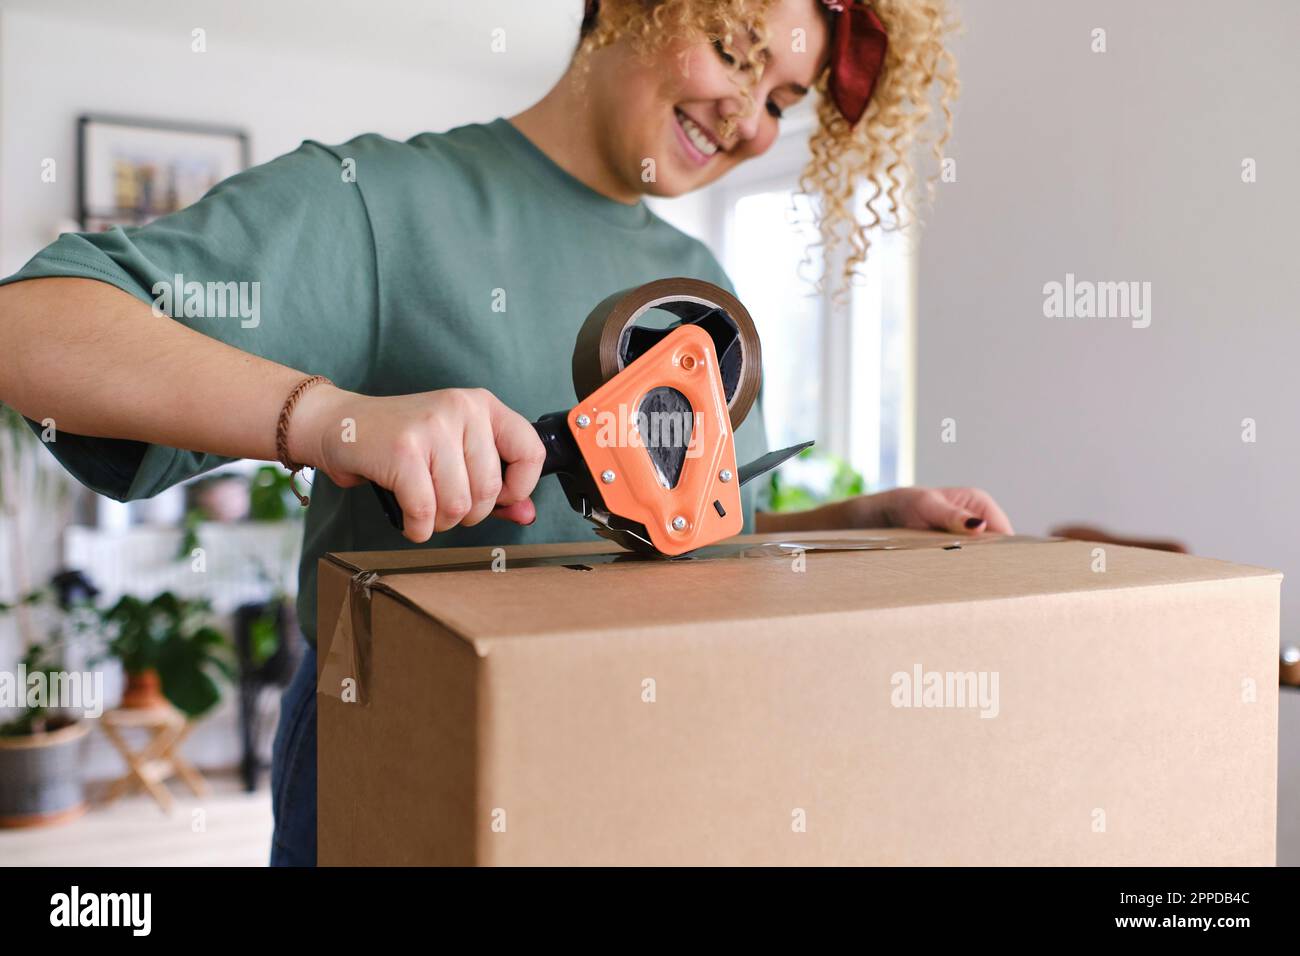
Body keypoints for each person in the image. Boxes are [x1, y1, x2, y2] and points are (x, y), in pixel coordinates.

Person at [0, 0, 1011, 866]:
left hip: (640, 750)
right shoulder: (386, 204)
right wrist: (330, 419)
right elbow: (32, 325)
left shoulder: (702, 291)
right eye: (736, 50)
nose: (749, 117)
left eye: (786, 102)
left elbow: (694, 540)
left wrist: (859, 520)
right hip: (404, 739)